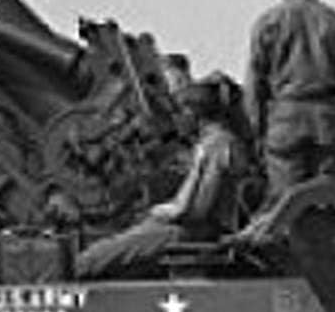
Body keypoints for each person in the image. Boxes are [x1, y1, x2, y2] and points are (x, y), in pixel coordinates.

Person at [76, 74, 249, 280]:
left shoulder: (212, 147)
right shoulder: (225, 141)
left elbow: (193, 210)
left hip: (186, 233)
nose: (178, 119)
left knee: (87, 261)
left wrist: (159, 212)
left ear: (195, 113)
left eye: (182, 111)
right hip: (191, 229)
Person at [244, 0, 335, 201]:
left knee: (288, 208)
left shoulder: (267, 23)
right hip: (329, 122)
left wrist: (255, 132)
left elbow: (255, 86)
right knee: (331, 204)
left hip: (285, 122)